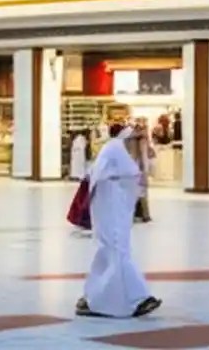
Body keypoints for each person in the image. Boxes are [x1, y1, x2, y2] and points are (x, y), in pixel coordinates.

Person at [76, 124, 161, 318]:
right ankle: (139, 298)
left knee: (114, 254)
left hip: (116, 210)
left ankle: (95, 298)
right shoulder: (115, 148)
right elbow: (135, 174)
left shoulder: (119, 151)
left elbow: (138, 177)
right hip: (110, 210)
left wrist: (141, 152)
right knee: (116, 253)